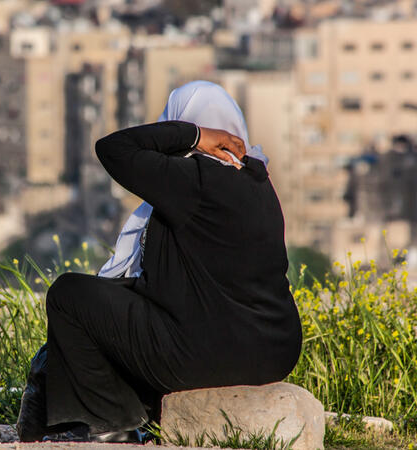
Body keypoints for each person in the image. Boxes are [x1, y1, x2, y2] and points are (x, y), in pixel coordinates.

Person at [41, 81, 303, 442]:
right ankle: (139, 410)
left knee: (69, 294)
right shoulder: (258, 180)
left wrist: (194, 135)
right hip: (276, 351)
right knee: (130, 299)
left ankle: (110, 423)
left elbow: (113, 149)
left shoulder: (194, 180)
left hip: (213, 355)